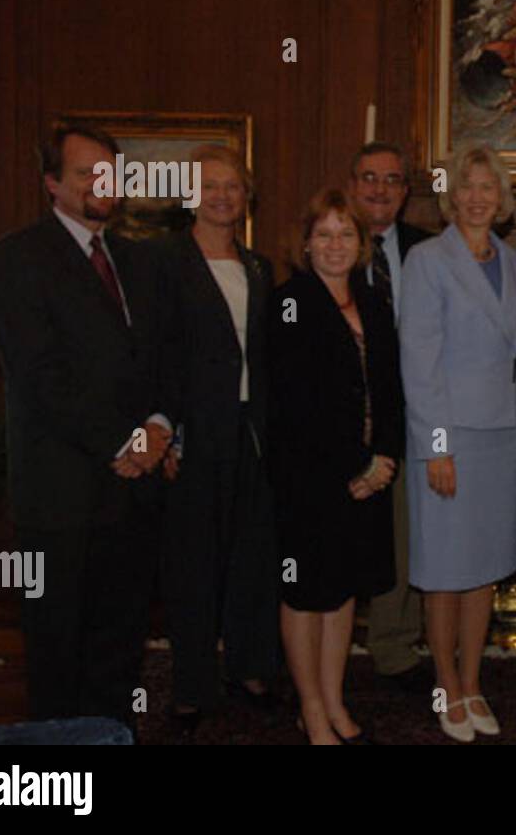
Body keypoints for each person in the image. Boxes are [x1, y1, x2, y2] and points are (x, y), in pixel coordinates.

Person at [0, 126, 171, 725]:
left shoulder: (138, 260)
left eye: (110, 171)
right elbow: (40, 375)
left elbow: (164, 358)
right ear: (52, 184)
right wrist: (125, 441)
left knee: (118, 652)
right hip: (61, 496)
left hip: (130, 496)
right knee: (58, 657)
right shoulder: (15, 258)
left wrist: (159, 427)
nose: (102, 182)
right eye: (87, 172)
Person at [399, 144, 516, 742]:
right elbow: (419, 363)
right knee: (444, 568)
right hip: (450, 437)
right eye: (467, 186)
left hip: (503, 433)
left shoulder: (515, 262)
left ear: (501, 198)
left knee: (485, 568)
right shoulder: (427, 260)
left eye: (488, 186)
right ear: (451, 197)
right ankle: (445, 683)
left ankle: (474, 681)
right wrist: (438, 446)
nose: (478, 196)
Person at [151, 145, 280, 735]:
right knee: (193, 564)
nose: (222, 195)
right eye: (210, 185)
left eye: (233, 186)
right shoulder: (165, 263)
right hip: (194, 434)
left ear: (245, 195)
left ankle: (250, 668)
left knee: (253, 557)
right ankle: (192, 683)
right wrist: (165, 432)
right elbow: (154, 356)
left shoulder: (259, 267)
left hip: (253, 434)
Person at [268, 188, 402, 745]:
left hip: (369, 477)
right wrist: (358, 463)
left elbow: (392, 388)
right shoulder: (290, 303)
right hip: (312, 478)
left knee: (344, 590)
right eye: (323, 234)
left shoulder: (374, 302)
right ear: (305, 244)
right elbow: (296, 404)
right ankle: (311, 707)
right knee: (307, 592)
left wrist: (387, 457)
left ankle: (333, 696)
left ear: (362, 243)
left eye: (346, 233)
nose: (335, 244)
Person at [347, 141, 434, 693]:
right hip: (343, 415)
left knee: (403, 533)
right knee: (339, 533)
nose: (380, 189)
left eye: (392, 180)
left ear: (405, 193)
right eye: (369, 178)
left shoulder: (430, 251)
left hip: (412, 413)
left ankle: (394, 645)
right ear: (353, 185)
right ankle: (330, 640)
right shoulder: (330, 244)